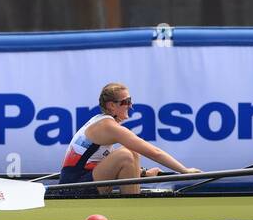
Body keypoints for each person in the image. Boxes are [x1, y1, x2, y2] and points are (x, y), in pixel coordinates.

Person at [59, 83, 200, 194]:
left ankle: (131, 207)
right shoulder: (107, 126)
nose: (131, 105)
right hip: (72, 188)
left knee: (131, 153)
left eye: (130, 100)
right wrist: (184, 171)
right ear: (112, 105)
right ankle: (133, 209)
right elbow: (153, 152)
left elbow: (101, 163)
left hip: (84, 181)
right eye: (126, 101)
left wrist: (143, 173)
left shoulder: (101, 121)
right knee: (126, 154)